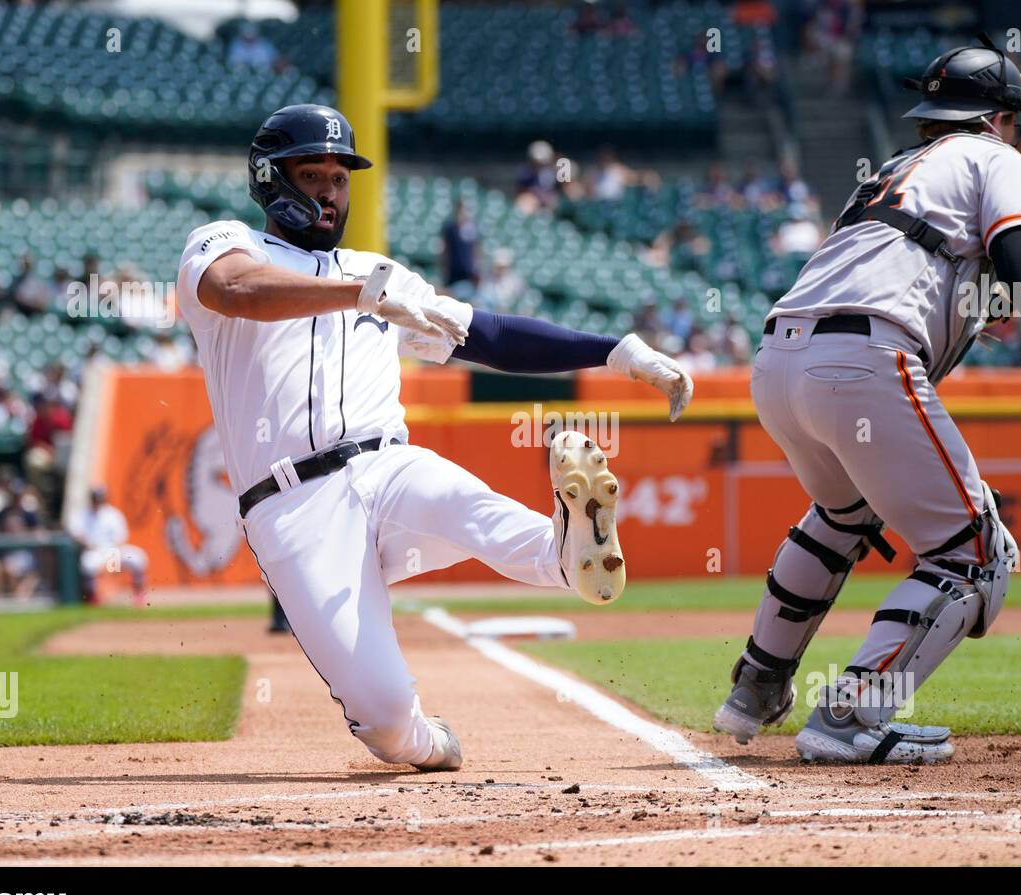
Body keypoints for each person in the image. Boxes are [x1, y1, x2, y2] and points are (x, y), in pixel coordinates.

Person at [176, 104, 692, 772]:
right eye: (313, 174)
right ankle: (420, 740)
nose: (330, 191)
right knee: (386, 719)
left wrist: (616, 351)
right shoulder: (223, 242)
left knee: (466, 505)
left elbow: (490, 334)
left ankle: (569, 549)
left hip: (387, 466)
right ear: (271, 179)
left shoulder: (380, 273)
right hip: (293, 507)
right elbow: (238, 291)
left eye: (340, 176)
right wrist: (360, 294)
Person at [713, 40, 1021, 764]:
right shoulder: (992, 156)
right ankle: (850, 717)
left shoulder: (893, 171)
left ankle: (755, 685)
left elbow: (954, 277)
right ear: (999, 119)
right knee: (977, 553)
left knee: (843, 516)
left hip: (780, 359)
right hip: (862, 359)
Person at [66, 487, 148, 604]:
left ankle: (139, 595)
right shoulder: (81, 514)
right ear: (91, 499)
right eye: (95, 499)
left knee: (138, 558)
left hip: (114, 550)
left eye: (100, 499)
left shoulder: (113, 514)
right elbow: (75, 533)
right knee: (88, 565)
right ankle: (93, 598)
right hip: (94, 551)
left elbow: (120, 538)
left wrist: (111, 562)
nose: (97, 502)